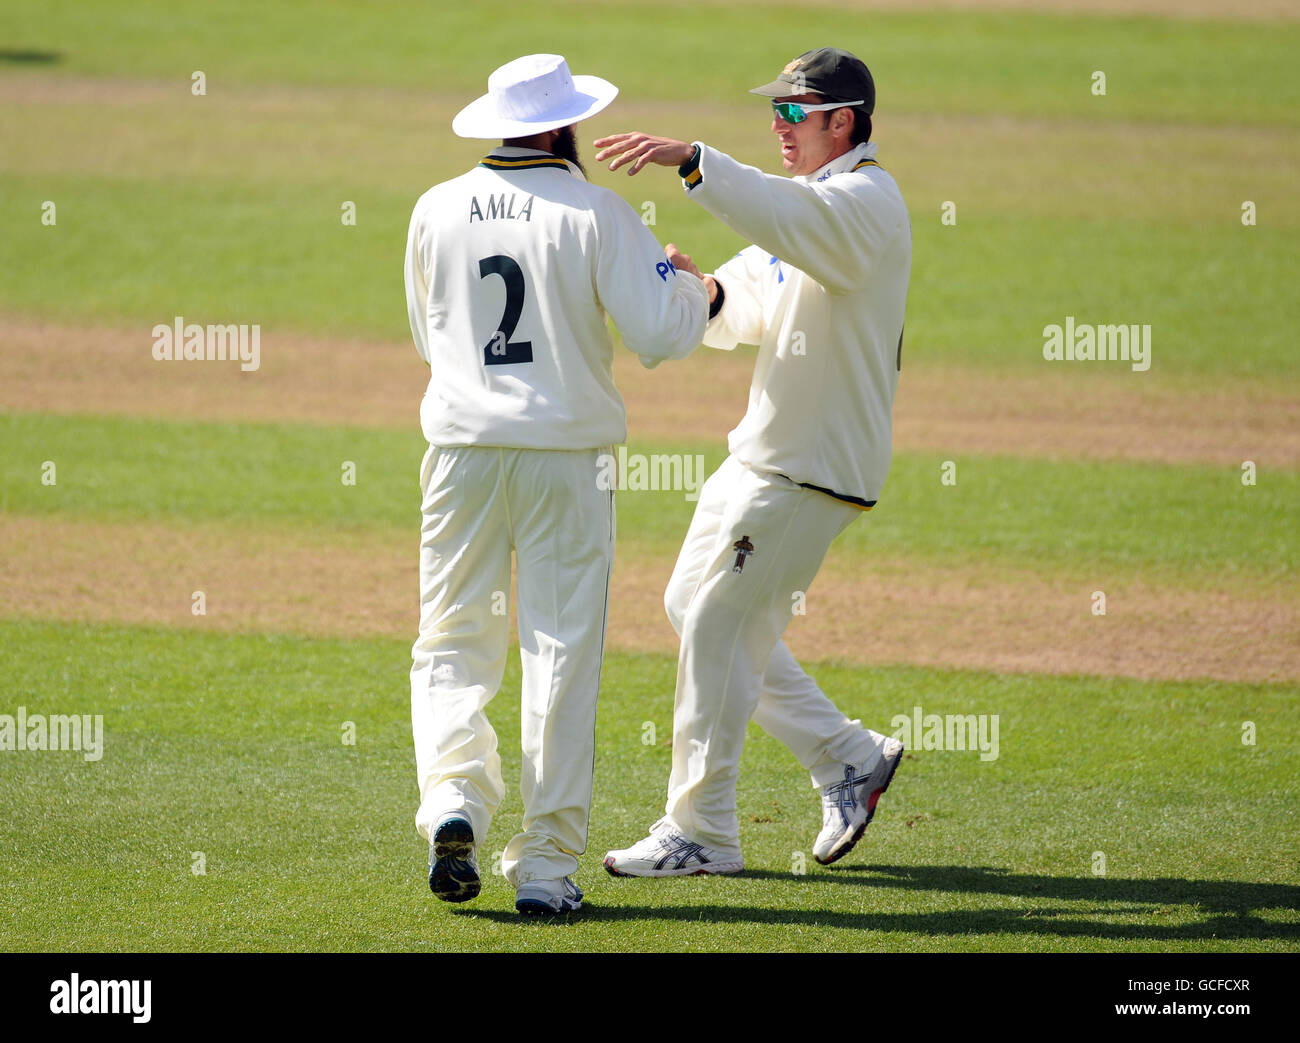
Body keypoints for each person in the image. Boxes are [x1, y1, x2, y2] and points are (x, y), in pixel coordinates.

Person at [595, 47, 911, 876]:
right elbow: (760, 291)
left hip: (810, 466)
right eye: (774, 111)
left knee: (716, 622)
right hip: (764, 453)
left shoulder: (868, 201)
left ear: (844, 121)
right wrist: (705, 292)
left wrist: (697, 163)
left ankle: (702, 830)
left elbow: (789, 226)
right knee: (689, 605)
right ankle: (849, 758)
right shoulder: (813, 203)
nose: (779, 125)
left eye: (795, 112)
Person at [404, 53, 708, 914]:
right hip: (567, 461)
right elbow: (663, 332)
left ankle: (454, 803)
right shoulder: (597, 212)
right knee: (561, 653)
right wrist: (691, 285)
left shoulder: (433, 207)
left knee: (451, 641)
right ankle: (543, 869)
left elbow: (432, 341)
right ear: (560, 124)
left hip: (459, 455)